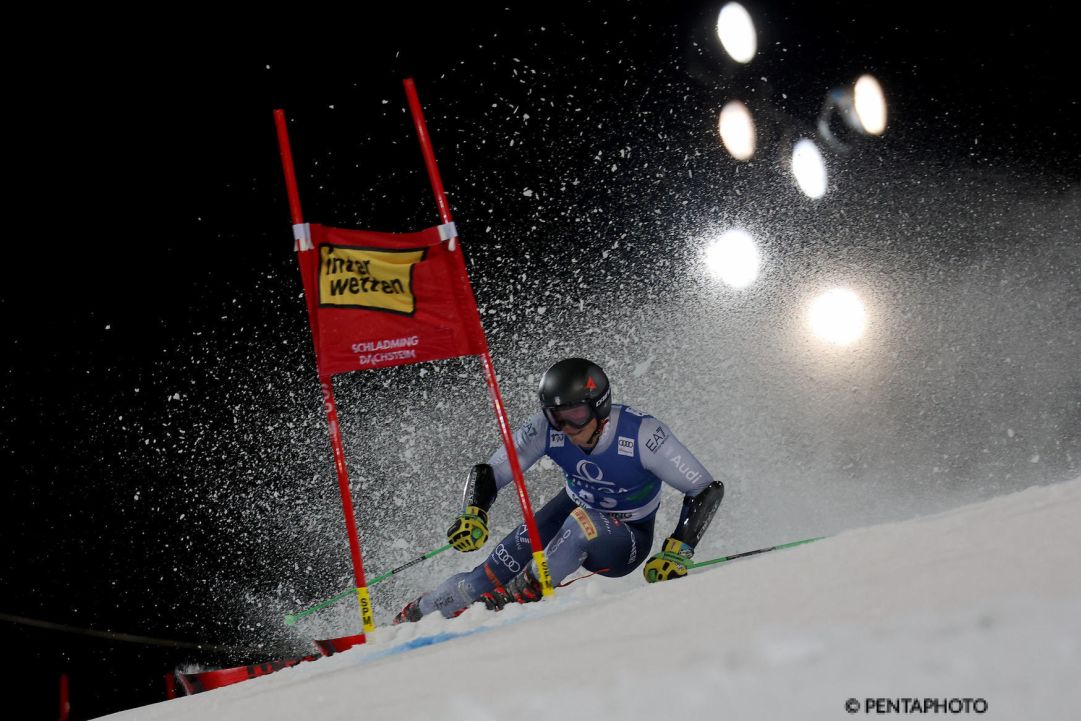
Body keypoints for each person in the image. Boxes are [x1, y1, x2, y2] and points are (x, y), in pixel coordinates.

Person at [394, 357, 724, 623]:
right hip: (568, 510)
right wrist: (474, 511)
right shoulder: (544, 429)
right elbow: (491, 471)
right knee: (481, 580)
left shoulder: (643, 434)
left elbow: (705, 488)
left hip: (626, 537)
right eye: (556, 417)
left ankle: (522, 592)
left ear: (600, 407)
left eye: (576, 415)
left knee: (582, 522)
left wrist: (677, 550)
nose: (566, 428)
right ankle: (415, 613)